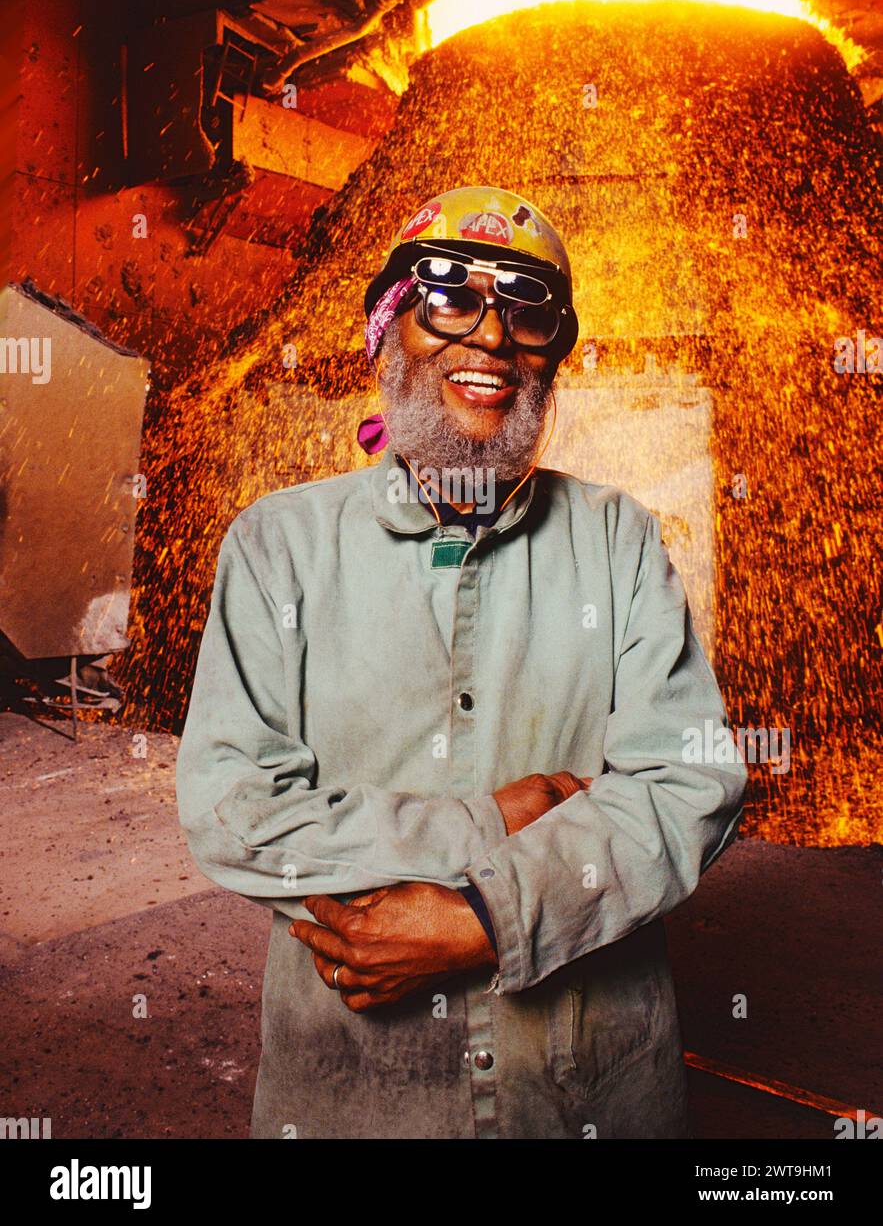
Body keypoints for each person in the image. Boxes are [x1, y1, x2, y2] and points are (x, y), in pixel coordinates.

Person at [176, 184, 747, 1139]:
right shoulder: (279, 547)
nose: (489, 337)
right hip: (352, 1099)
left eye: (527, 311)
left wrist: (484, 916)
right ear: (388, 331)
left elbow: (687, 781)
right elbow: (233, 807)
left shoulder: (618, 540)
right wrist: (489, 822)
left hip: (582, 1099)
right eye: (447, 297)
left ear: (551, 355)